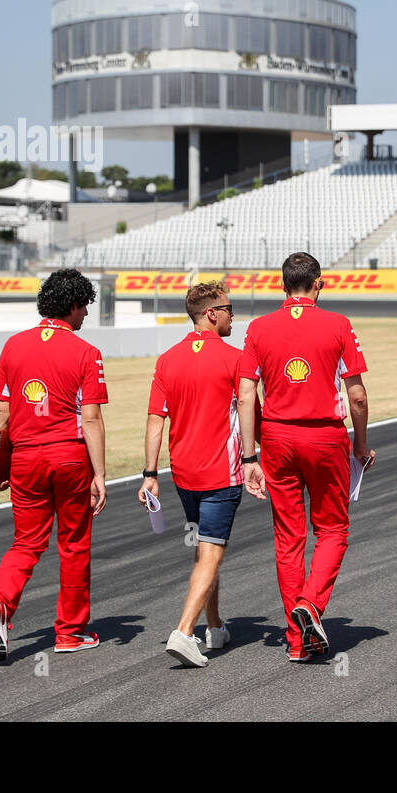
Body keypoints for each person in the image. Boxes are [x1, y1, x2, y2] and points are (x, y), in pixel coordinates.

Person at [238, 252, 376, 662]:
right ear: (318, 284)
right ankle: (310, 605)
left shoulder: (259, 328)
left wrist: (249, 457)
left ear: (283, 286)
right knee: (332, 530)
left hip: (276, 438)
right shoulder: (338, 324)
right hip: (324, 436)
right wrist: (361, 443)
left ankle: (297, 640)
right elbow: (357, 394)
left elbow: (246, 394)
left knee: (288, 537)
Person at [0, 269, 107, 659]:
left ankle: (0, 601)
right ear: (72, 306)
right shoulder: (86, 352)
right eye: (84, 307)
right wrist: (100, 474)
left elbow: (2, 414)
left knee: (26, 542)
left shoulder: (13, 346)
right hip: (69, 457)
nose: (85, 315)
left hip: (24, 457)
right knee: (73, 544)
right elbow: (90, 419)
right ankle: (69, 633)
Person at [140, 282, 249, 668]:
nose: (234, 315)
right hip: (222, 472)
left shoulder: (167, 360)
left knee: (206, 552)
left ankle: (215, 627)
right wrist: (255, 459)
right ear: (212, 314)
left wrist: (150, 473)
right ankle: (184, 632)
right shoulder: (236, 358)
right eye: (230, 308)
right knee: (211, 553)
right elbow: (252, 411)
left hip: (183, 474)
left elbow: (155, 419)